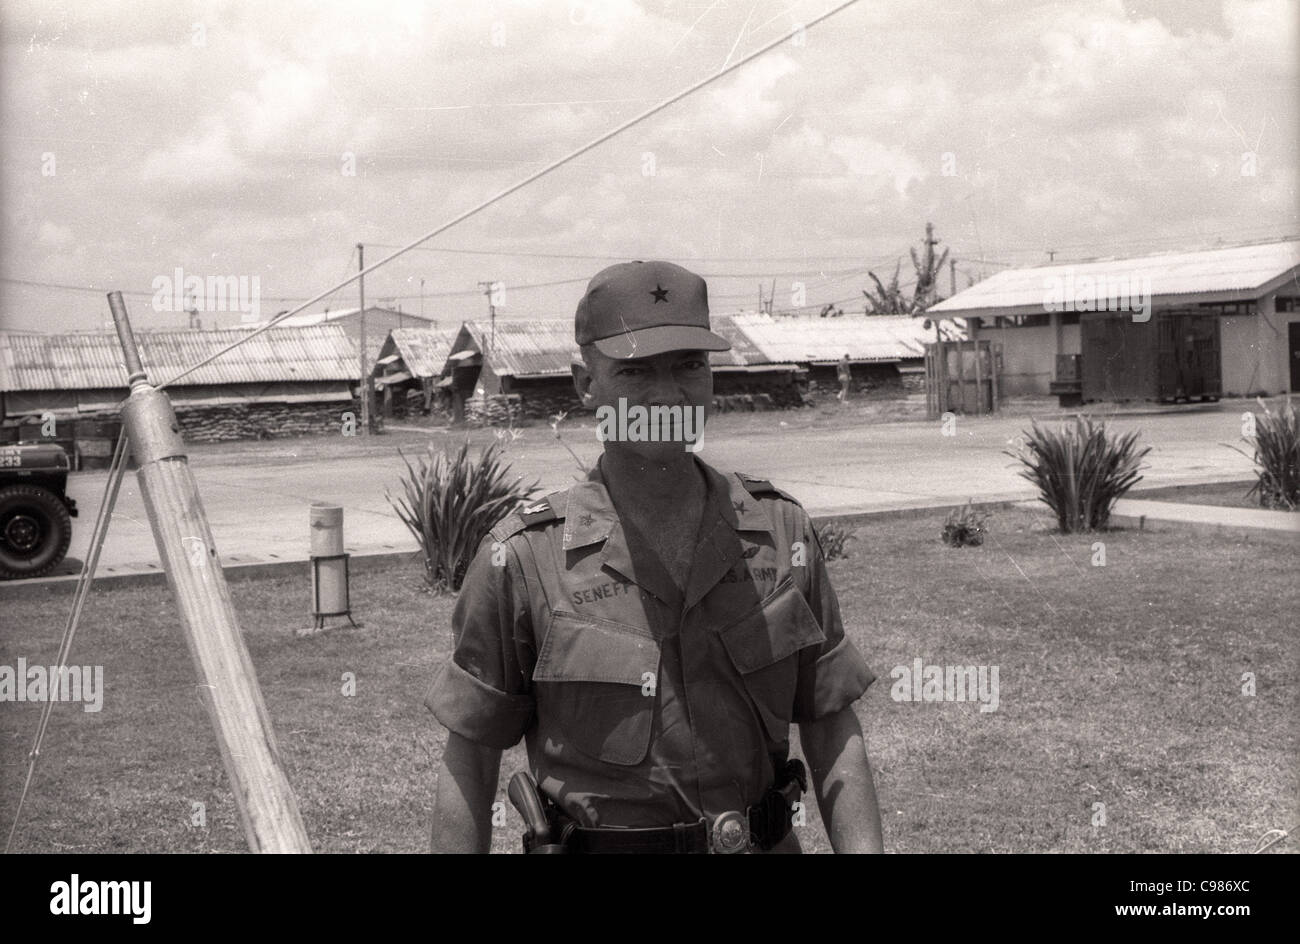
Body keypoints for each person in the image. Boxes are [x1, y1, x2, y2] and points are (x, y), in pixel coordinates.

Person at [426, 260, 883, 854]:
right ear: (586, 383)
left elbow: (829, 724)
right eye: (637, 371)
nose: (668, 394)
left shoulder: (780, 531)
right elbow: (471, 755)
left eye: (689, 365)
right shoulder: (522, 560)